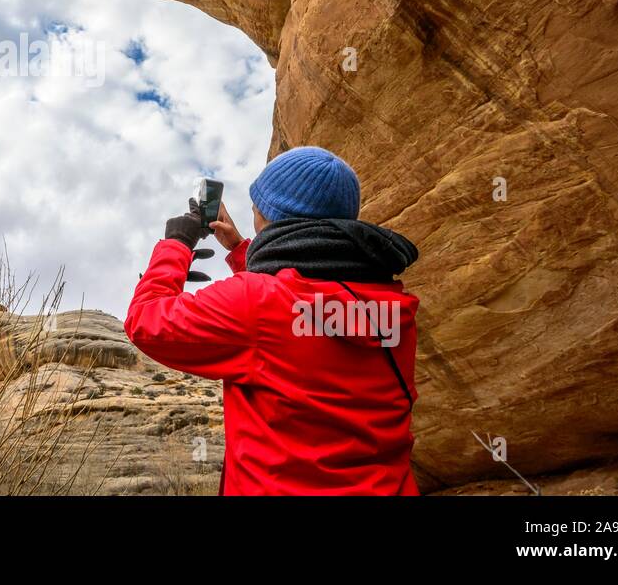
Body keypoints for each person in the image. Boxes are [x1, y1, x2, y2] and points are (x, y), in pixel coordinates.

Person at [124, 145, 420, 495]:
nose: (253, 216)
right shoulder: (392, 306)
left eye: (256, 210)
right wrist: (241, 251)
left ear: (273, 219)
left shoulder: (257, 305)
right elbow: (304, 307)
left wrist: (176, 243)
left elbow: (146, 320)